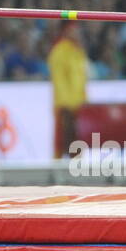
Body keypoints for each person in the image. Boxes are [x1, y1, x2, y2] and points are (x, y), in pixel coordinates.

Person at [47, 21, 88, 157]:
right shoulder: (59, 52)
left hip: (79, 104)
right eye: (73, 30)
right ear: (65, 32)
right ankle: (56, 171)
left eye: (77, 30)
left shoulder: (78, 51)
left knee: (77, 142)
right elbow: (59, 80)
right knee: (62, 140)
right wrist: (65, 104)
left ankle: (76, 170)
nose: (77, 33)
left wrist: (84, 101)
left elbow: (81, 79)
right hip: (66, 105)